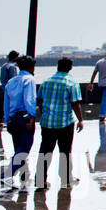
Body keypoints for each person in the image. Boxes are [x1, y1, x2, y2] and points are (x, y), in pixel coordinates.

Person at [35, 57, 84, 189]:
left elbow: (39, 100)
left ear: (57, 66)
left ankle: (40, 180)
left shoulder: (46, 82)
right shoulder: (71, 83)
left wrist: (44, 112)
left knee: (45, 151)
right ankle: (66, 179)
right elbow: (75, 104)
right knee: (65, 151)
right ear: (70, 67)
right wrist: (80, 120)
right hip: (65, 123)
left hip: (47, 122)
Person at [2, 56, 37, 187]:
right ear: (31, 67)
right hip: (24, 117)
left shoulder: (11, 81)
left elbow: (6, 102)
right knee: (24, 148)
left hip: (13, 119)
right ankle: (7, 174)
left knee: (18, 148)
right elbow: (29, 100)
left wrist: (7, 120)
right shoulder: (29, 79)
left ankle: (22, 177)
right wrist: (32, 117)